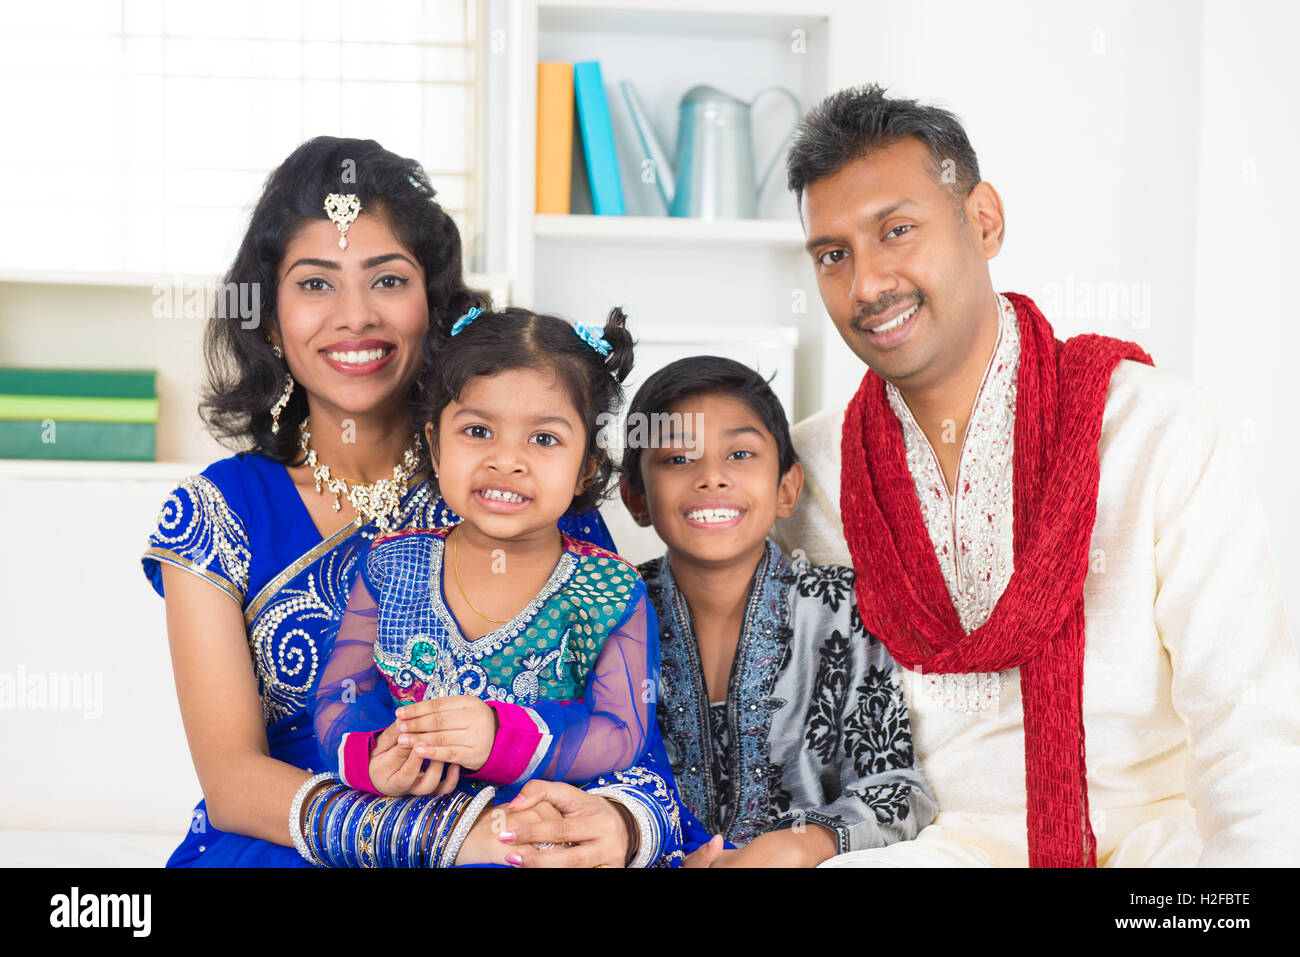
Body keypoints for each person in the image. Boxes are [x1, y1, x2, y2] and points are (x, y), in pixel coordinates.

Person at [773, 85, 1300, 867]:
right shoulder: (807, 473)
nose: (868, 285)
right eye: (834, 255)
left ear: (983, 220)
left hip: (1154, 840)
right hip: (935, 845)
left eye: (898, 230)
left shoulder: (1153, 428)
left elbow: (1247, 720)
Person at [142, 135, 695, 868]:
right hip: (290, 843)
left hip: (514, 837)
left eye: (387, 280)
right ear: (270, 321)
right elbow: (234, 782)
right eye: (314, 284)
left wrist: (621, 828)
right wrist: (445, 841)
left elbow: (627, 740)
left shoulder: (523, 488)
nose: (354, 316)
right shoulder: (215, 517)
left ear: (432, 307)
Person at [307, 306, 659, 838]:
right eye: (477, 430)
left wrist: (500, 738)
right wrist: (373, 756)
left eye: (544, 440)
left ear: (587, 463)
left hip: (535, 833)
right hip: (406, 830)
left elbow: (621, 734)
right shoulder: (390, 564)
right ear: (435, 445)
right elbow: (340, 694)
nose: (506, 461)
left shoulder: (610, 590)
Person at [619, 356, 936, 866]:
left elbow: (897, 790)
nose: (712, 478)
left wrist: (800, 844)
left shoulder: (845, 608)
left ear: (787, 488)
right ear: (636, 497)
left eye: (740, 454)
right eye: (678, 459)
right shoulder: (609, 607)